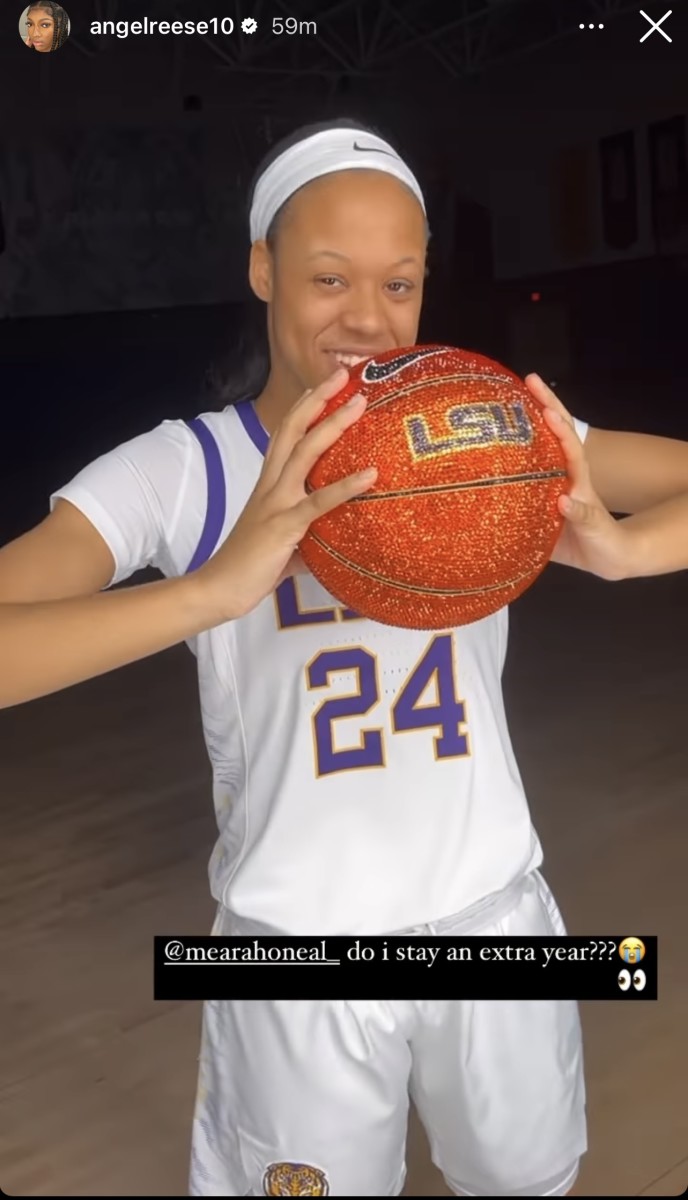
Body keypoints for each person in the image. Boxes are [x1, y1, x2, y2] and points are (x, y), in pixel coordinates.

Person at [1, 118, 687, 1198]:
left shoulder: (488, 428)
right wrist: (210, 591)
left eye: (399, 284)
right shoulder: (187, 471)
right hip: (296, 947)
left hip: (492, 914)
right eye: (329, 278)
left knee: (528, 1184)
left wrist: (624, 551)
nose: (367, 318)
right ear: (262, 270)